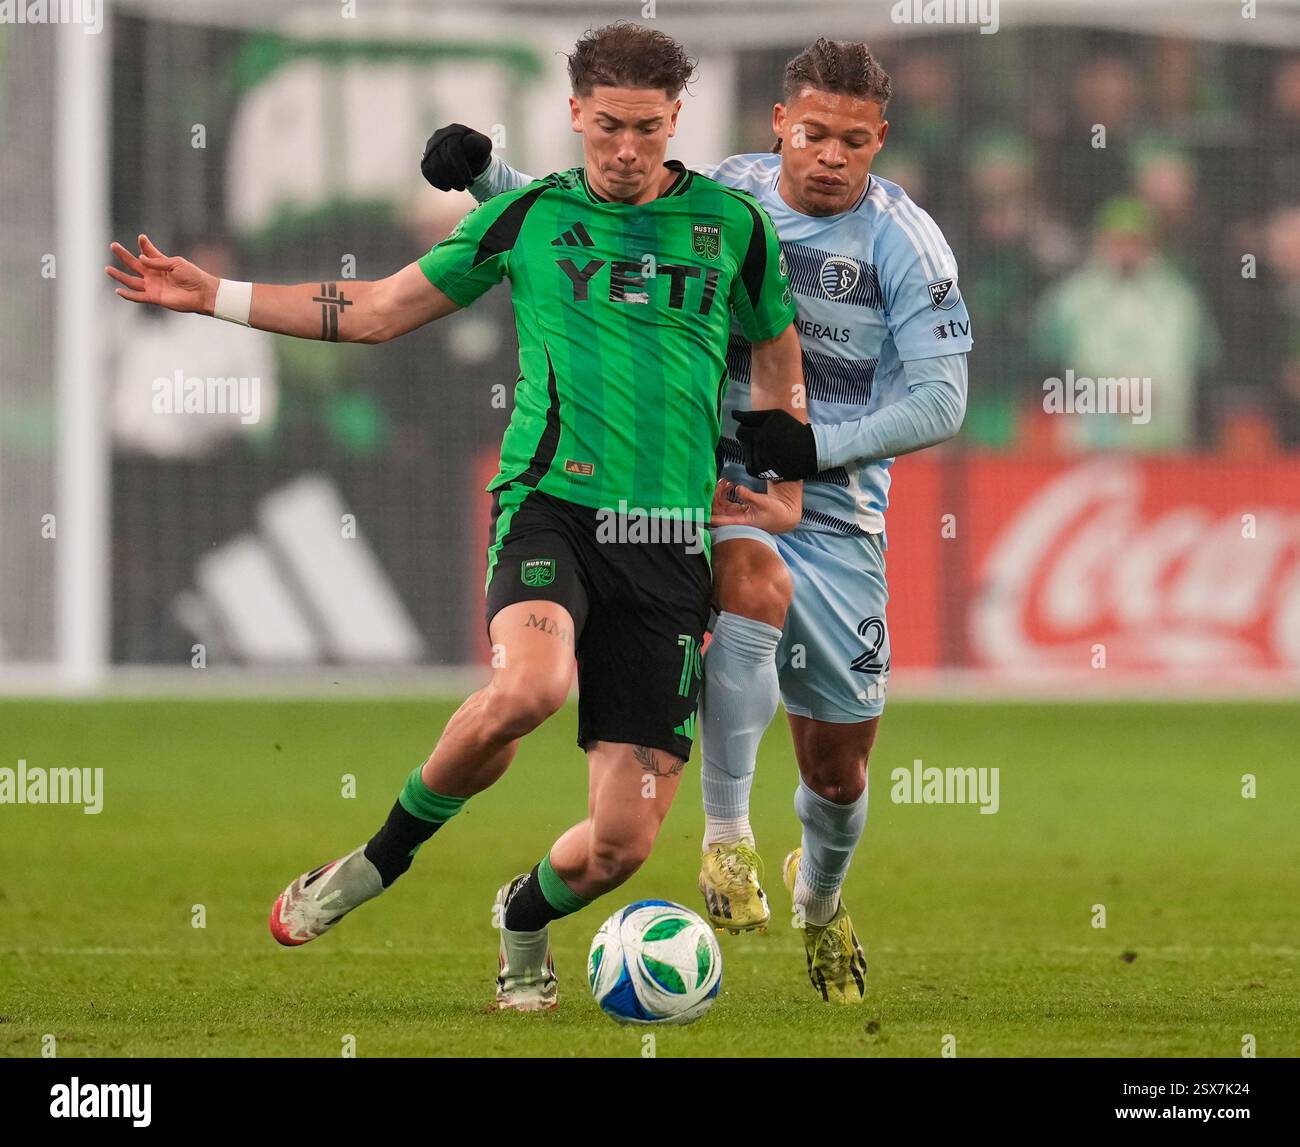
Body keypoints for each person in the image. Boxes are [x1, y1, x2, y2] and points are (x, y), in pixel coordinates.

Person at [108, 22, 804, 1012]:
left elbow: (776, 347)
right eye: (605, 126)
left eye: (645, 129)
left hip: (665, 543)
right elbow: (381, 308)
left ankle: (523, 914)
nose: (623, 149)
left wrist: (788, 475)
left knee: (618, 848)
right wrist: (213, 294)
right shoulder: (526, 219)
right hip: (551, 507)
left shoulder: (733, 226)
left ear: (674, 120)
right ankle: (374, 862)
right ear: (573, 115)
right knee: (532, 685)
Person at [429, 37, 971, 1003]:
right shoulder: (725, 194)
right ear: (779, 127)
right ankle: (726, 838)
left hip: (839, 508)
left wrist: (814, 450)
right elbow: (596, 208)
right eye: (813, 133)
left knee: (840, 772)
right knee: (749, 578)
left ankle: (823, 899)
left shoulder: (906, 242)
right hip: (717, 482)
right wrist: (487, 178)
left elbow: (941, 402)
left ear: (879, 140)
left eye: (854, 140)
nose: (831, 155)